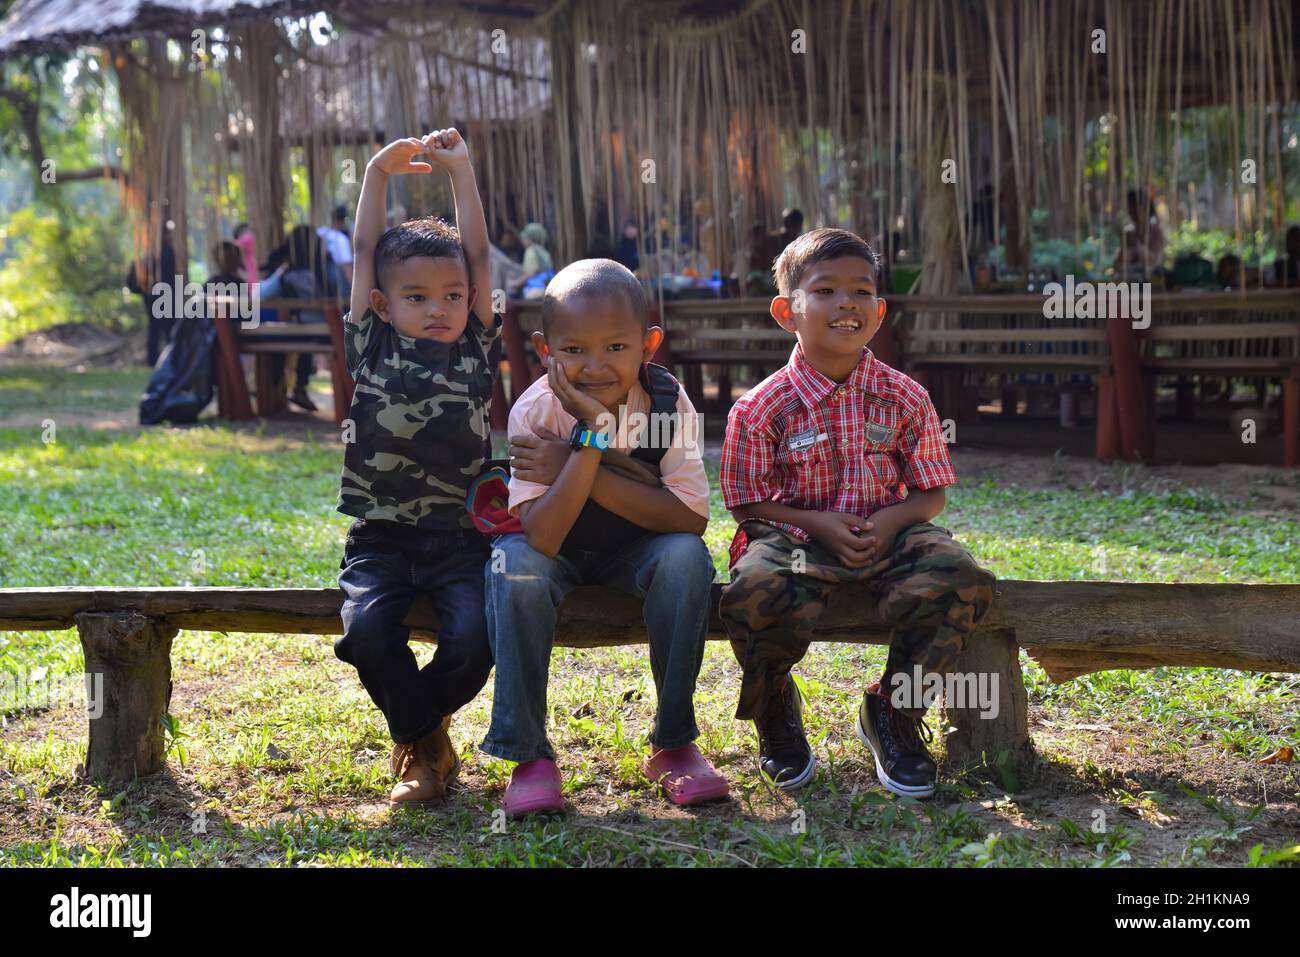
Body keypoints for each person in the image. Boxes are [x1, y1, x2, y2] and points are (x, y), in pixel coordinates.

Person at [718, 227, 996, 799]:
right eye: (824, 290)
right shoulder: (760, 407)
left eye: (862, 291)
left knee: (958, 578)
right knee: (756, 586)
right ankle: (774, 706)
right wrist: (816, 524)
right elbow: (746, 501)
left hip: (887, 536)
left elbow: (930, 493)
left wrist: (892, 521)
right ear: (786, 311)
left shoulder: (906, 397)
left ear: (879, 310)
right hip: (795, 538)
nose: (847, 302)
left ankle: (893, 711)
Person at [481, 258, 726, 816]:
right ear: (545, 349)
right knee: (513, 567)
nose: (595, 367)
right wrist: (593, 442)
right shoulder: (537, 409)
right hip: (554, 551)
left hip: (640, 550)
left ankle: (674, 744)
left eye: (616, 348)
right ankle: (529, 757)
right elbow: (542, 535)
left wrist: (573, 459)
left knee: (687, 559)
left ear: (649, 343)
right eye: (574, 351)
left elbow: (688, 520)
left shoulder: (666, 406)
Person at [333, 128, 501, 807]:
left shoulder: (476, 350)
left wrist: (463, 173)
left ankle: (420, 735)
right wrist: (376, 174)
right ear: (382, 303)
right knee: (367, 635)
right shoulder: (369, 346)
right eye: (418, 297)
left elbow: (481, 254)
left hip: (463, 537)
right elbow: (368, 251)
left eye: (453, 296)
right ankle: (427, 744)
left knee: (477, 640)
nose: (440, 308)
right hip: (382, 538)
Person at [126, 226, 178, 367]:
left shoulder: (148, 255)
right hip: (164, 296)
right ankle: (171, 358)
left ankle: (154, 359)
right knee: (168, 328)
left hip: (151, 296)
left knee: (154, 327)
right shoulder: (167, 254)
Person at [317, 203, 354, 298]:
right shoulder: (341, 239)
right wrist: (353, 291)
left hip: (317, 286)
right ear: (343, 221)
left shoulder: (319, 233)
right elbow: (347, 267)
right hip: (336, 289)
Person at [508, 221, 554, 296]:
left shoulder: (530, 251)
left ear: (529, 238)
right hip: (548, 288)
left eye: (524, 237)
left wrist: (516, 283)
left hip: (535, 290)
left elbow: (530, 273)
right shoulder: (543, 251)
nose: (522, 240)